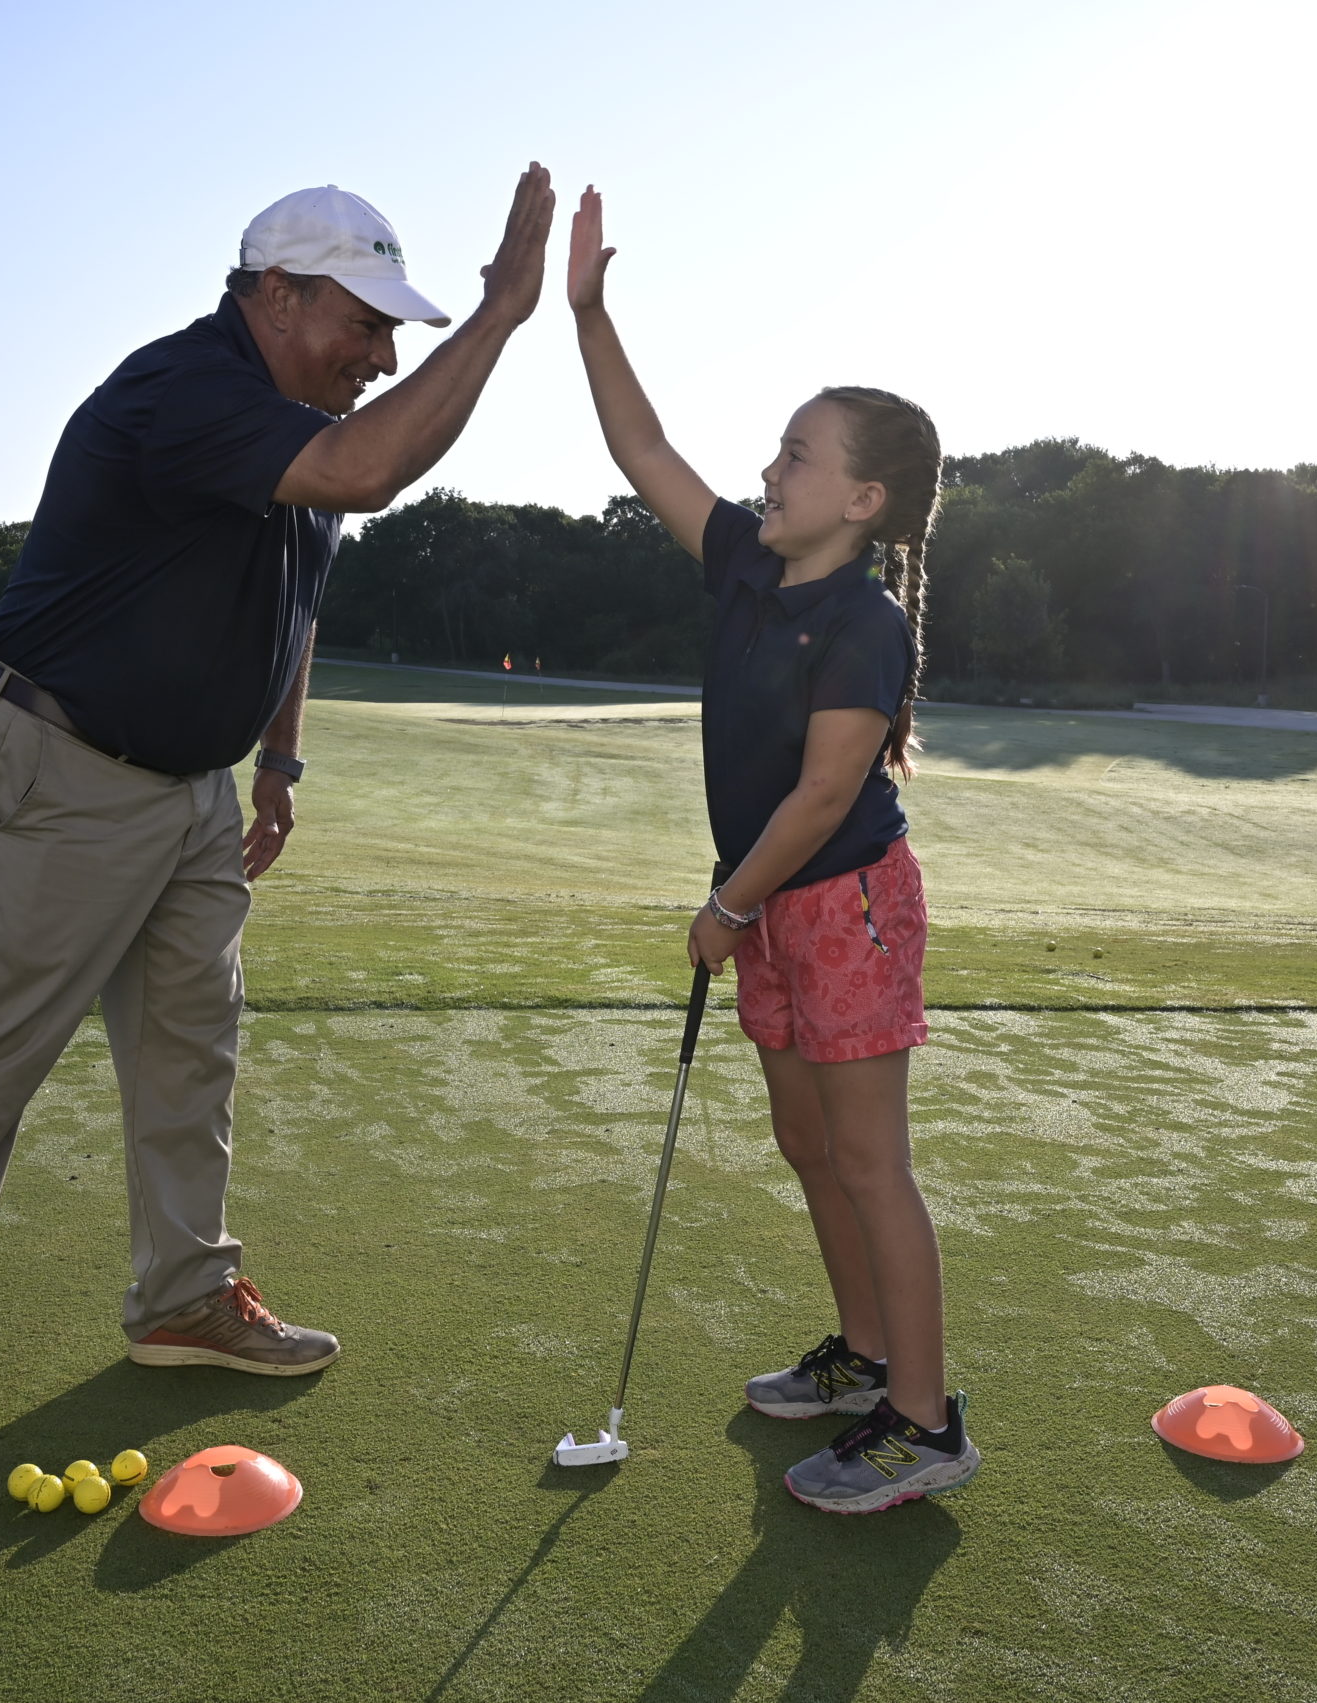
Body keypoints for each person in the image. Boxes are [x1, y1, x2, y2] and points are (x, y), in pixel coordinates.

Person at [0, 168, 556, 1456]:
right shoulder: (190, 389)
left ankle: (184, 1299)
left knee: (188, 1056)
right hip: (66, 765)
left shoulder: (286, 416)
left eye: (396, 331)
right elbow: (370, 475)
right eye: (366, 322)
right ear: (276, 295)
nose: (381, 356)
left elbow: (299, 596)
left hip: (193, 792)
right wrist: (501, 312)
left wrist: (280, 762)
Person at [566, 186, 977, 1513]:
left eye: (798, 456)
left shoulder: (864, 625)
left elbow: (819, 796)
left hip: (839, 905)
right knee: (809, 1145)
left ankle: (925, 1421)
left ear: (861, 499)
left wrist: (725, 908)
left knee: (870, 1163)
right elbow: (643, 450)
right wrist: (589, 311)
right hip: (777, 915)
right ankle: (864, 1360)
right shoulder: (747, 566)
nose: (769, 469)